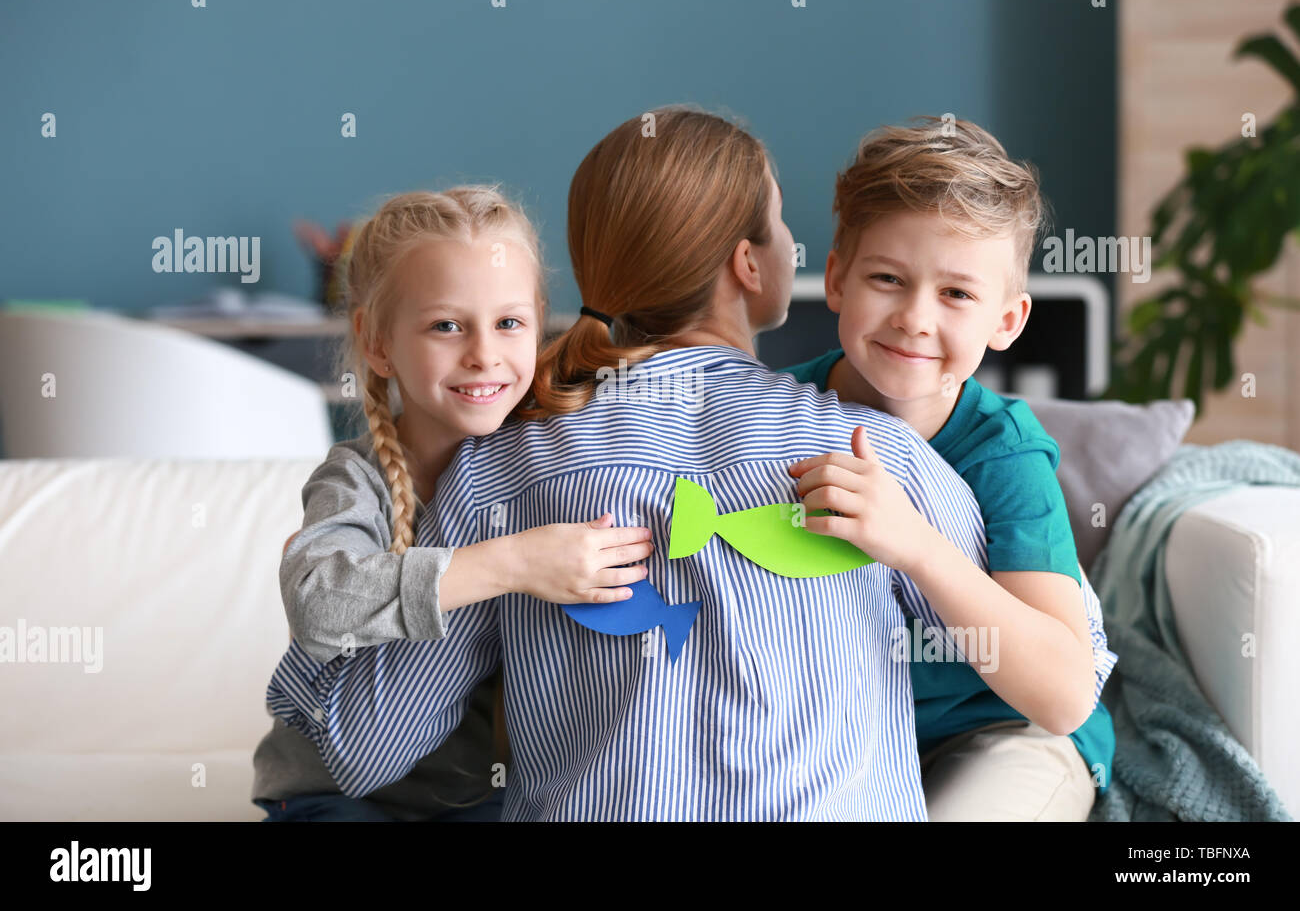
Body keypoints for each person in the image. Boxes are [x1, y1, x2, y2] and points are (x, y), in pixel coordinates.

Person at [265, 105, 991, 820]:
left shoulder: (495, 473)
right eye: (780, 224)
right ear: (749, 264)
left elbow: (367, 749)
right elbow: (1056, 678)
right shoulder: (878, 454)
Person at [252, 187, 653, 821]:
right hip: (334, 791)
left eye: (509, 323)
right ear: (377, 342)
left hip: (479, 795)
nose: (484, 353)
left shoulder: (552, 470)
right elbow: (319, 600)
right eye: (446, 325)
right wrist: (515, 563)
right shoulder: (356, 479)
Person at [779, 116, 1117, 820]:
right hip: (847, 737)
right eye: (887, 279)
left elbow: (1062, 693)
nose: (914, 318)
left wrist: (916, 544)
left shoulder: (1004, 454)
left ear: (1007, 319)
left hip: (1002, 732)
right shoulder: (778, 414)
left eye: (956, 294)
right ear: (836, 277)